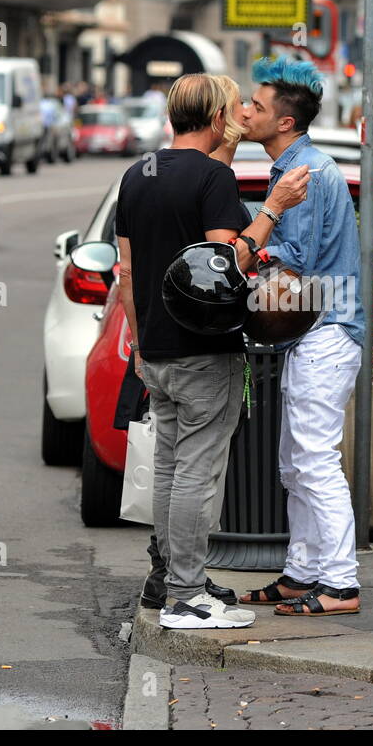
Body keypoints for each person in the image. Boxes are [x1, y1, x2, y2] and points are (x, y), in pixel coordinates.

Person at [117, 73, 310, 630]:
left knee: (171, 467)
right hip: (203, 350)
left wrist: (137, 339)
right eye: (234, 106)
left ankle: (170, 579)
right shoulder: (213, 179)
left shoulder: (137, 175)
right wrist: (271, 208)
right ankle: (184, 595)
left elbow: (126, 271)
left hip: (154, 346)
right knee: (197, 474)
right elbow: (221, 270)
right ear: (216, 116)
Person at [235, 57, 366, 617]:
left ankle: (341, 583)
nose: (246, 111)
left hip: (328, 331)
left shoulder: (304, 175)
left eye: (256, 107)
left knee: (313, 460)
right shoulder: (295, 165)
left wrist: (248, 246)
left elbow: (299, 260)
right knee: (296, 460)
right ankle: (302, 573)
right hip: (318, 333)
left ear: (284, 122)